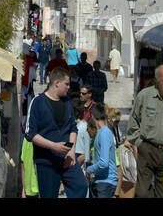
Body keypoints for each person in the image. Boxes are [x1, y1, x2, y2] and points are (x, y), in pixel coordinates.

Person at [25, 69, 88, 198]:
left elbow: (73, 128)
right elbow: (30, 134)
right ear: (57, 83)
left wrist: (71, 149)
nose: (69, 88)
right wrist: (53, 146)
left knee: (81, 185)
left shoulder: (67, 102)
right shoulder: (38, 102)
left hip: (67, 158)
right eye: (67, 84)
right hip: (46, 161)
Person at [124, 64, 163, 198]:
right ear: (156, 81)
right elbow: (133, 121)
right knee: (142, 193)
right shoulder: (144, 96)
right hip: (147, 149)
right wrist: (138, 143)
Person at [86, 104, 119, 198]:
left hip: (106, 182)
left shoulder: (104, 133)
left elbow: (104, 162)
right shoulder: (101, 133)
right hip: (100, 181)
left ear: (92, 116)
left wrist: (89, 170)